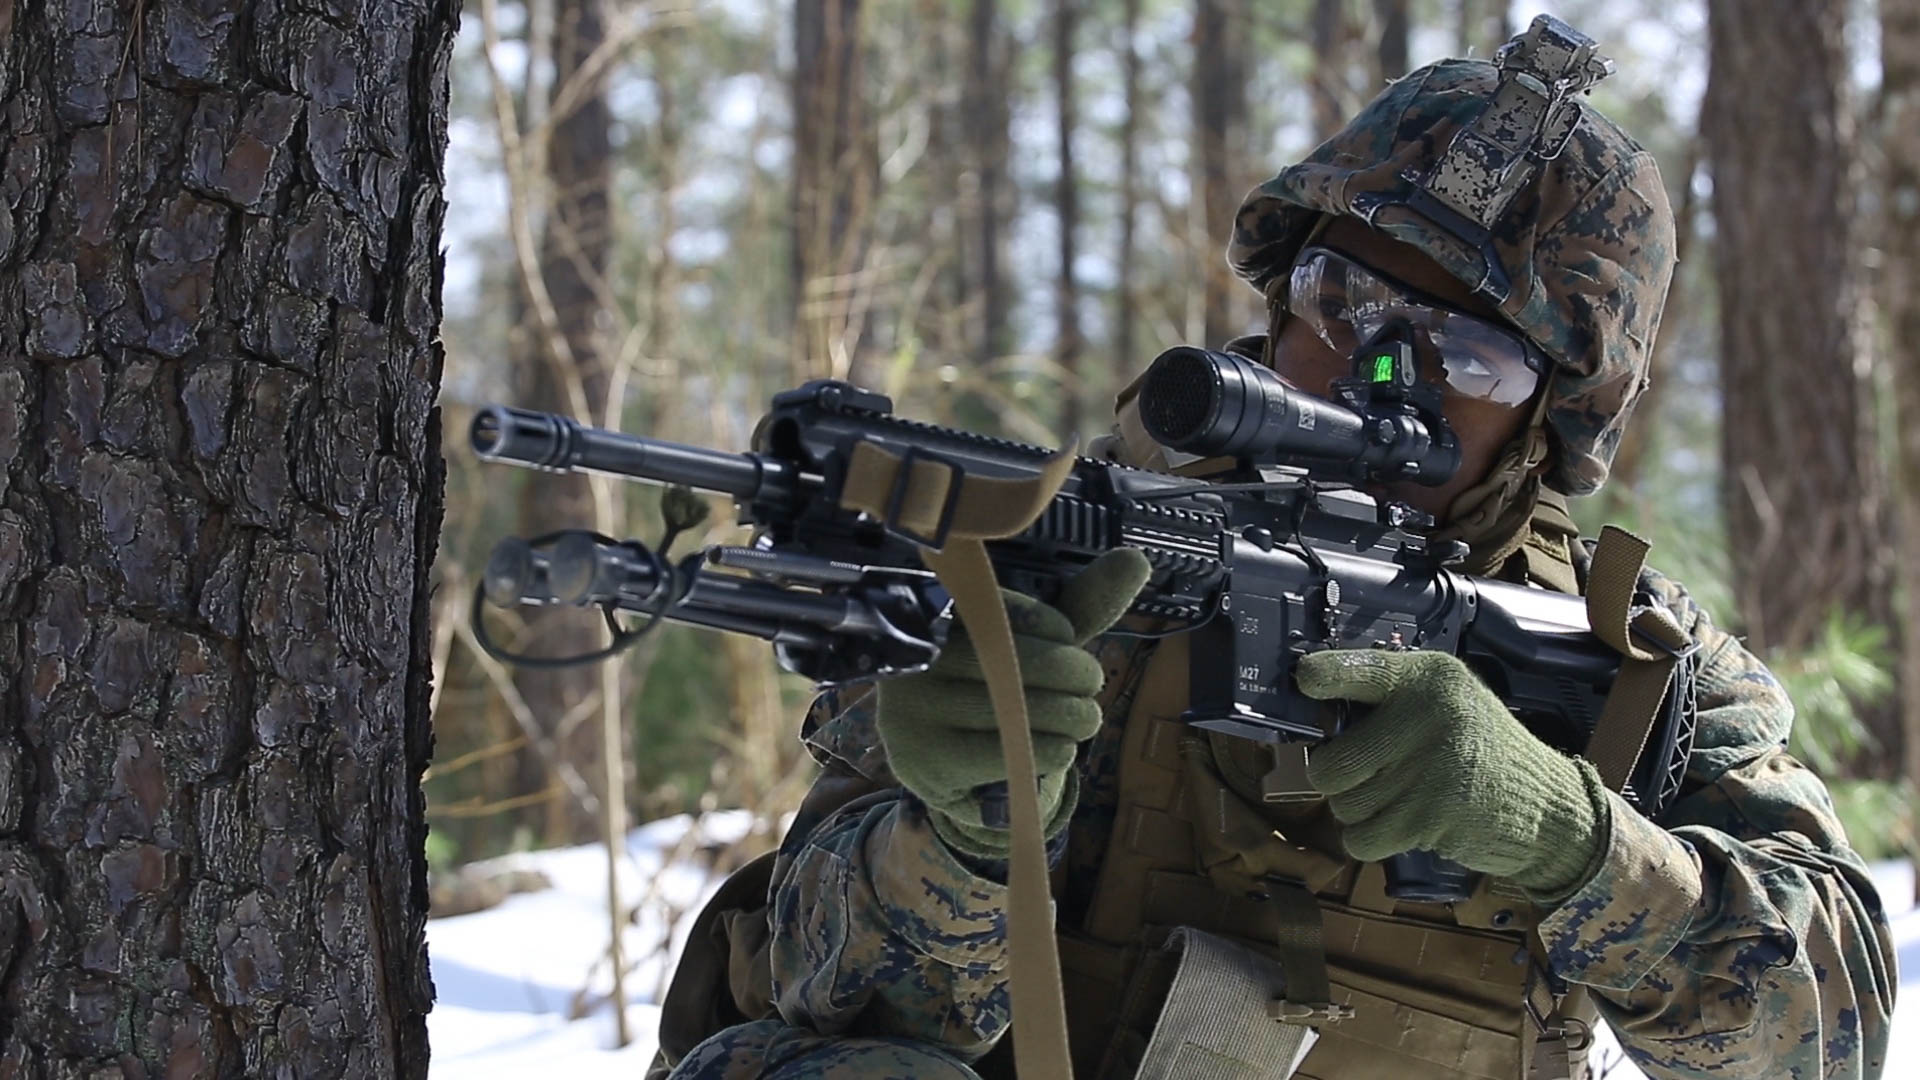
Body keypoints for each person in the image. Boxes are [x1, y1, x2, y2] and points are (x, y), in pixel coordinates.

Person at [651, 19, 1898, 1080]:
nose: (1377, 371)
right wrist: (963, 840)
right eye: (1341, 301)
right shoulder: (1071, 551)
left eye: (1467, 358)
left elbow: (1833, 1038)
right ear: (1279, 289)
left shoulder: (1629, 656)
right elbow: (823, 989)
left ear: (1552, 416)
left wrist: (1569, 842)